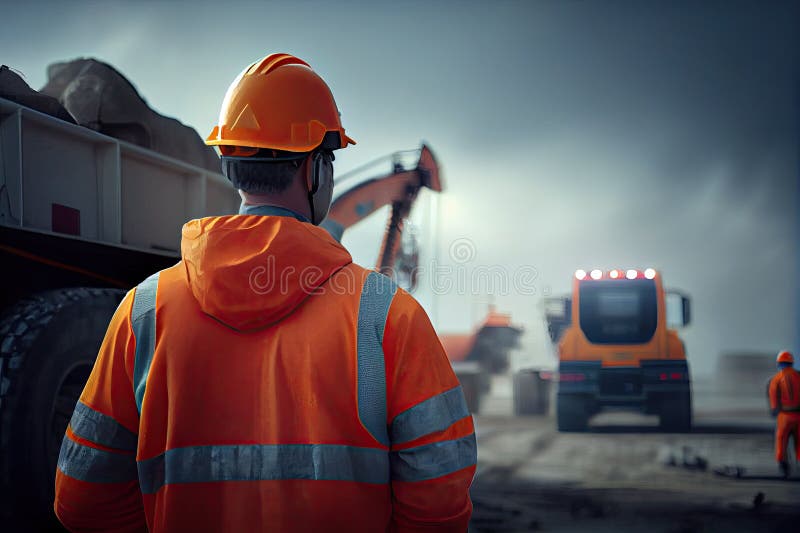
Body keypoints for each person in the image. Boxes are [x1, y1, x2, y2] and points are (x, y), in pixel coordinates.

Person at [54, 53, 476, 532]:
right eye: (330, 157)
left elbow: (81, 499)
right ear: (316, 170)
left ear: (231, 166)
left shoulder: (144, 311)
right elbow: (439, 499)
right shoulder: (386, 315)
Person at [768, 350, 800, 479]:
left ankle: (783, 467)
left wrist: (774, 409)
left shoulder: (776, 379)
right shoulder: (799, 376)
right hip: (798, 415)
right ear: (791, 363)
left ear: (779, 363)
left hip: (784, 416)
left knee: (782, 441)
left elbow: (774, 399)